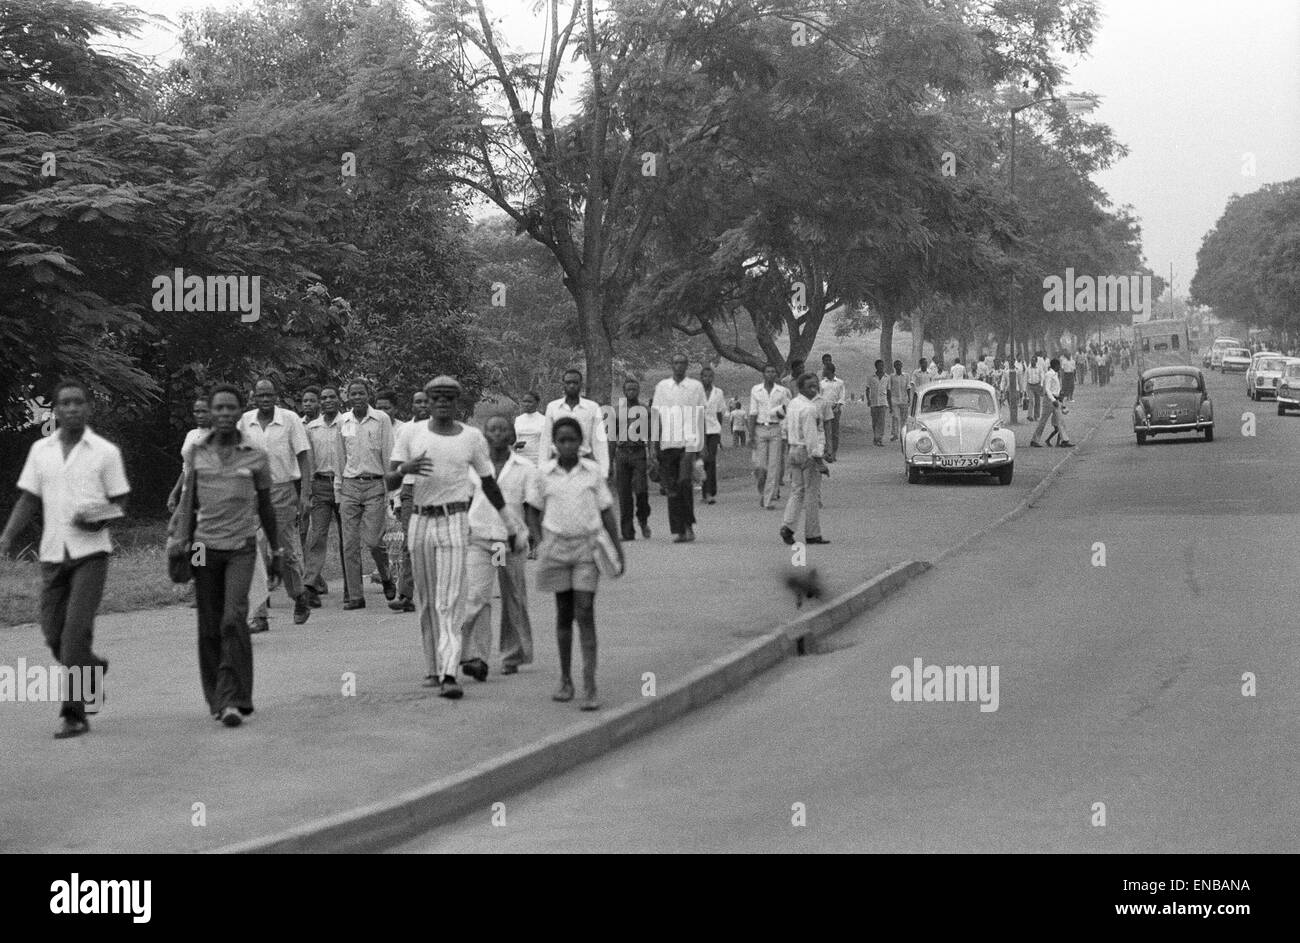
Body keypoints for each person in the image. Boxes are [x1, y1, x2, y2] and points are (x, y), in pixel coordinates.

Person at [0, 380, 127, 739]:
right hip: (53, 552)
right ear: (55, 410)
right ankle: (92, 668)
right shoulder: (41, 450)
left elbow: (120, 502)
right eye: (65, 403)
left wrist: (97, 515)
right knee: (54, 635)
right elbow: (28, 499)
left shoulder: (105, 452)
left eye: (78, 402)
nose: (71, 408)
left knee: (73, 635)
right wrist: (7, 537)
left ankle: (73, 714)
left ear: (89, 408)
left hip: (91, 553)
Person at [387, 377, 521, 696]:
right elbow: (389, 481)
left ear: (457, 402)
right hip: (420, 519)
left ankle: (449, 674)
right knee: (426, 600)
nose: (443, 402)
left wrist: (510, 523)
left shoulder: (472, 437)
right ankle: (433, 668)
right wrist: (405, 468)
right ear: (428, 401)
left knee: (449, 600)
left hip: (454, 519)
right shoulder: (410, 433)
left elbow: (489, 483)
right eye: (437, 397)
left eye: (449, 397)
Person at [172, 383, 282, 727]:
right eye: (217, 408)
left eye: (229, 408)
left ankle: (236, 697)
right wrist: (182, 543)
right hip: (203, 548)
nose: (223, 414)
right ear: (211, 411)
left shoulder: (255, 454)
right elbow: (189, 503)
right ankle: (217, 699)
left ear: (239, 412)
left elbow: (265, 505)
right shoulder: (196, 452)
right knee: (208, 621)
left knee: (234, 618)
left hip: (241, 548)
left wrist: (277, 550)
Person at [527, 416, 624, 711]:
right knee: (563, 613)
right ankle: (565, 679)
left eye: (572, 440)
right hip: (556, 547)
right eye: (561, 440)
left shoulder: (592, 472)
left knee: (585, 610)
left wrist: (618, 548)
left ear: (580, 443)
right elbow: (532, 510)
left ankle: (590, 682)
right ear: (554, 443)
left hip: (587, 547)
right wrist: (538, 539)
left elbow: (606, 510)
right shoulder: (543, 474)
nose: (567, 445)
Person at [460, 414, 537, 679]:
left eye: (503, 429)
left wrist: (532, 537)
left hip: (508, 542)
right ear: (484, 435)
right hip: (480, 538)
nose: (497, 434)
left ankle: (511, 654)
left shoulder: (525, 468)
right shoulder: (474, 468)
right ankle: (477, 657)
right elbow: (466, 501)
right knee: (479, 595)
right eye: (492, 429)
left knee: (512, 595)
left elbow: (532, 507)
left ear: (512, 436)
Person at [239, 378, 313, 626]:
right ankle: (259, 615)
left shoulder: (290, 419)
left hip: (282, 490)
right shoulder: (245, 421)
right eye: (260, 395)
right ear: (254, 397)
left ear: (276, 396)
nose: (265, 399)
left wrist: (305, 495)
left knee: (284, 549)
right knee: (256, 550)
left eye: (269, 395)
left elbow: (304, 456)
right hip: (253, 493)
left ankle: (299, 595)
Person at [336, 379, 396, 610]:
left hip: (374, 485)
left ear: (368, 395)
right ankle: (355, 596)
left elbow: (388, 455)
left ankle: (386, 576)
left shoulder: (380, 419)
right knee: (349, 544)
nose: (357, 397)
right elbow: (340, 456)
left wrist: (390, 491)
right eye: (353, 394)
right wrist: (339, 489)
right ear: (348, 397)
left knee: (372, 541)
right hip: (350, 485)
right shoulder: (344, 421)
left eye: (361, 393)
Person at [653, 353, 707, 543]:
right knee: (672, 487)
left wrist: (702, 445)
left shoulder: (695, 387)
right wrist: (654, 444)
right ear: (671, 365)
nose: (679, 366)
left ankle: (688, 526)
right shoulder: (662, 387)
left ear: (687, 365)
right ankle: (679, 529)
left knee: (685, 482)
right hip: (668, 442)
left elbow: (701, 416)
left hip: (689, 441)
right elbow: (657, 416)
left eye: (682, 363)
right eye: (675, 362)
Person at [302, 384, 347, 607]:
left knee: (346, 537)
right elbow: (308, 461)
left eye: (331, 396)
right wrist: (308, 488)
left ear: (339, 399)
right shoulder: (311, 428)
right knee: (317, 535)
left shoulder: (346, 423)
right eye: (324, 397)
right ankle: (310, 585)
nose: (327, 400)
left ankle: (352, 586)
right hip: (320, 484)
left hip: (343, 485)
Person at [388, 389, 430, 613]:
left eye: (426, 402)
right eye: (418, 402)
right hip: (410, 490)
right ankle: (405, 595)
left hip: (436, 492)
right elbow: (396, 466)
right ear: (412, 406)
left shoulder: (442, 428)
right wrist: (396, 499)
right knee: (409, 543)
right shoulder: (405, 430)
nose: (422, 406)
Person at [779, 373, 830, 546]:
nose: (814, 389)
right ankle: (812, 533)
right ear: (800, 388)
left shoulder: (793, 404)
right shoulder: (809, 409)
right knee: (811, 494)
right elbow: (811, 437)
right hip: (807, 452)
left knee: (797, 491)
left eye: (816, 385)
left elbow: (784, 427)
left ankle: (788, 525)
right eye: (810, 386)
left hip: (793, 449)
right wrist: (819, 461)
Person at [542, 369, 610, 478]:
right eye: (568, 382)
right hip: (558, 464)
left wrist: (603, 471)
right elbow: (546, 439)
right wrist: (543, 467)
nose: (572, 386)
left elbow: (599, 441)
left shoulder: (592, 407)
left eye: (575, 382)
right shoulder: (553, 407)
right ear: (563, 384)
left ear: (581, 385)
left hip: (584, 462)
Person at [611, 378, 652, 541]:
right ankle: (627, 532)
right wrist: (609, 460)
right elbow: (611, 437)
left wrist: (653, 455)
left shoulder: (646, 411)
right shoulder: (616, 411)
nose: (631, 392)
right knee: (623, 493)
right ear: (624, 391)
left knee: (641, 490)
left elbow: (651, 436)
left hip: (639, 452)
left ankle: (643, 519)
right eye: (629, 390)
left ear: (639, 390)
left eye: (634, 389)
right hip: (621, 454)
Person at [747, 364, 791, 509]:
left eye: (773, 372)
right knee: (760, 466)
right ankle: (762, 491)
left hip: (775, 429)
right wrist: (751, 434)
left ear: (776, 375)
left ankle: (768, 499)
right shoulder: (756, 390)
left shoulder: (782, 391)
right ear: (763, 374)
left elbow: (787, 411)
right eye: (768, 372)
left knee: (774, 465)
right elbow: (753, 412)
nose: (771, 374)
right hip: (760, 428)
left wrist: (785, 427)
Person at [1030, 358, 1074, 448]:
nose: (1060, 367)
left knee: (1060, 420)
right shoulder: (1049, 374)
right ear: (1056, 365)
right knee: (1043, 421)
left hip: (1055, 400)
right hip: (1049, 401)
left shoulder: (1055, 374)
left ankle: (1064, 440)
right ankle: (1034, 440)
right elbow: (1047, 389)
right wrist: (1053, 400)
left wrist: (1059, 397)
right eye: (1059, 365)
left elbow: (1055, 389)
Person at [699, 365, 727, 503]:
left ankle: (709, 491)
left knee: (710, 460)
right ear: (701, 377)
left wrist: (720, 431)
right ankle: (707, 491)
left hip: (714, 430)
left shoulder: (718, 392)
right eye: (705, 376)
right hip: (700, 431)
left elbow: (719, 413)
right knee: (703, 461)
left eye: (710, 376)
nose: (707, 379)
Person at [818, 362, 846, 462]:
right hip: (824, 409)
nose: (823, 371)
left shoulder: (840, 382)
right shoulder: (822, 383)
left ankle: (833, 452)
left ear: (829, 371)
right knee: (825, 431)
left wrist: (838, 406)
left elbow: (842, 396)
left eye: (825, 369)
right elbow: (819, 396)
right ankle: (827, 452)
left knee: (834, 432)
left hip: (835, 408)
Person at [513, 390, 545, 466]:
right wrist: (515, 445)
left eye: (530, 402)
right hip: (520, 458)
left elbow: (547, 441)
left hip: (538, 459)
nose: (526, 404)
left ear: (537, 403)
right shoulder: (518, 419)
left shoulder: (544, 420)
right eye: (524, 402)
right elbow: (514, 439)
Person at [866, 360, 890, 446]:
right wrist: (868, 400)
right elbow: (867, 389)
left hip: (883, 402)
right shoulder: (871, 377)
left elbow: (889, 390)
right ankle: (875, 437)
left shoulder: (887, 377)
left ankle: (879, 438)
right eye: (879, 365)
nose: (881, 367)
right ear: (876, 366)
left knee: (881, 421)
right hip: (874, 402)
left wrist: (889, 403)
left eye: (882, 365)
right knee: (875, 421)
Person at [888, 360, 908, 441]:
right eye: (896, 365)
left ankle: (903, 434)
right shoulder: (892, 376)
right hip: (894, 400)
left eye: (899, 365)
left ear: (902, 365)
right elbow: (889, 389)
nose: (898, 367)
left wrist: (909, 398)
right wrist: (889, 402)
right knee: (895, 417)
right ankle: (894, 434)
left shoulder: (906, 376)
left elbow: (908, 387)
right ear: (894, 367)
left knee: (904, 418)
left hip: (904, 399)